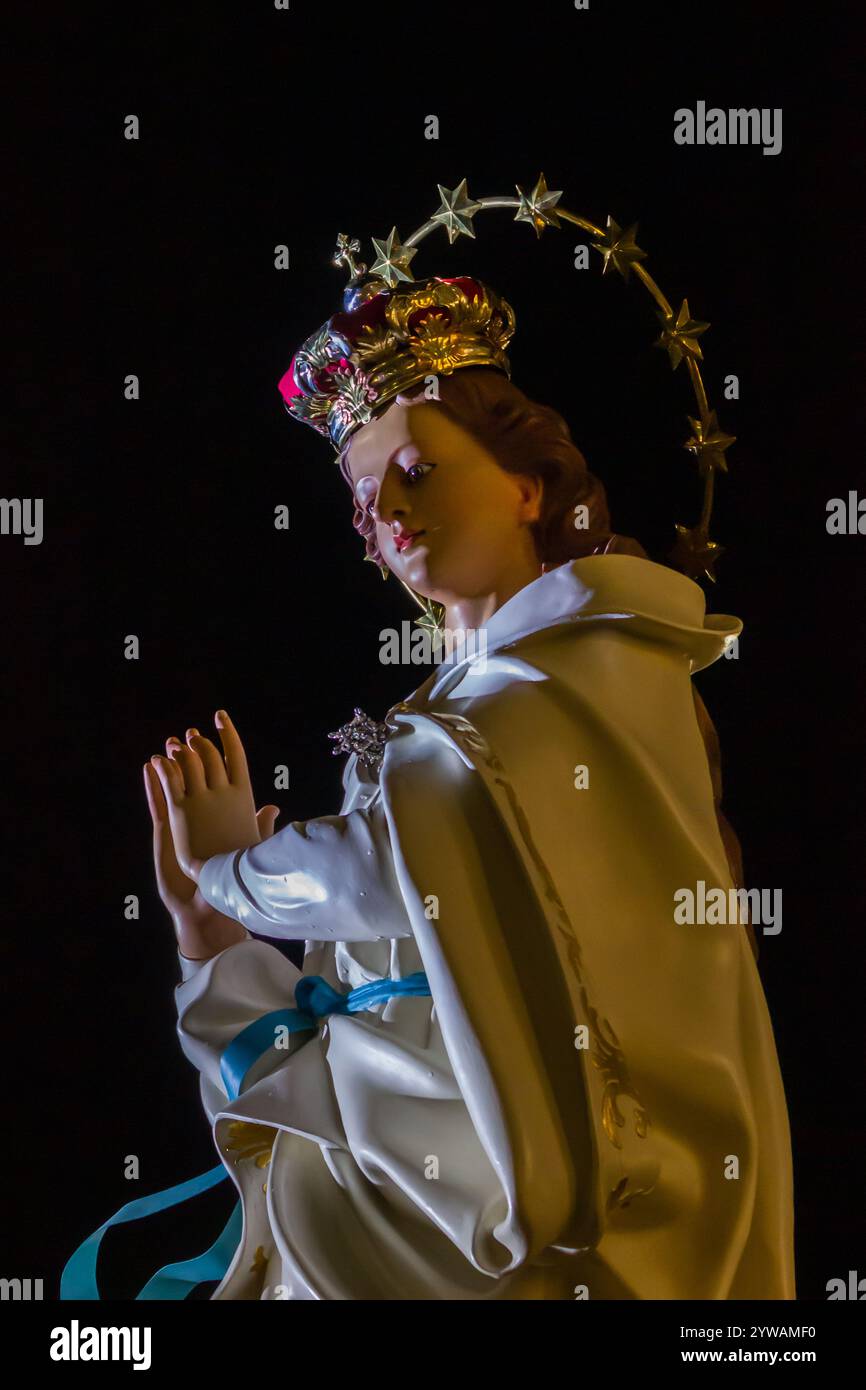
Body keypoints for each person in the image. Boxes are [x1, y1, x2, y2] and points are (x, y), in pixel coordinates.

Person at [62, 263, 795, 1300]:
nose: (388, 512)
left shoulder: (588, 666)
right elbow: (373, 983)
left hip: (510, 1173)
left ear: (525, 484)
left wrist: (232, 868)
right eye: (365, 498)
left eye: (416, 468)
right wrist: (210, 940)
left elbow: (397, 864)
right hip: (410, 1143)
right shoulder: (449, 716)